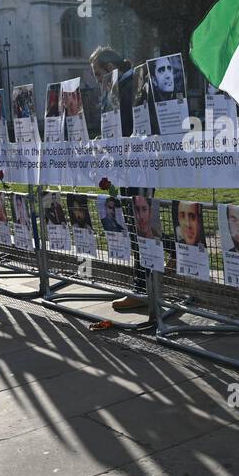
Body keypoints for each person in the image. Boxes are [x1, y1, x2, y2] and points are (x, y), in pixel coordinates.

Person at [91, 46, 157, 313]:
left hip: (136, 165)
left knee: (138, 225)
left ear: (109, 69)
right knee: (141, 224)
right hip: (137, 164)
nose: (97, 81)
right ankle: (149, 285)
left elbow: (132, 126)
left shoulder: (127, 86)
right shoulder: (129, 83)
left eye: (98, 75)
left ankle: (143, 290)